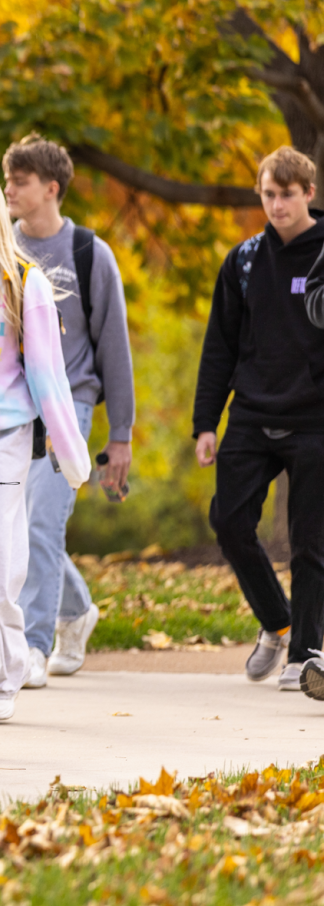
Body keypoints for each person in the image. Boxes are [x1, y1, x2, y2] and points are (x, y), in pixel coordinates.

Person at [0, 170, 91, 723]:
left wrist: (71, 453)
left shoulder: (22, 280)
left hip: (4, 437)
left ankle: (6, 672)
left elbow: (50, 375)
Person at [4, 134, 136, 686]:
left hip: (71, 403)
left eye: (21, 181)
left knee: (41, 520)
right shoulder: (0, 248)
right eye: (7, 179)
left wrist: (120, 434)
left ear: (51, 188)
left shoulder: (88, 253)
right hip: (13, 407)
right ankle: (77, 610)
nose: (9, 188)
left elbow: (114, 346)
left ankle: (33, 645)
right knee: (23, 526)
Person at [193, 146, 324, 694]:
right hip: (250, 413)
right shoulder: (243, 260)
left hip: (315, 420)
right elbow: (218, 346)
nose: (276, 205)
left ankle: (304, 654)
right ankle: (277, 619)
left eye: (287, 195)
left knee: (310, 542)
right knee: (228, 522)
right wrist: (206, 422)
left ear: (308, 194)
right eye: (268, 195)